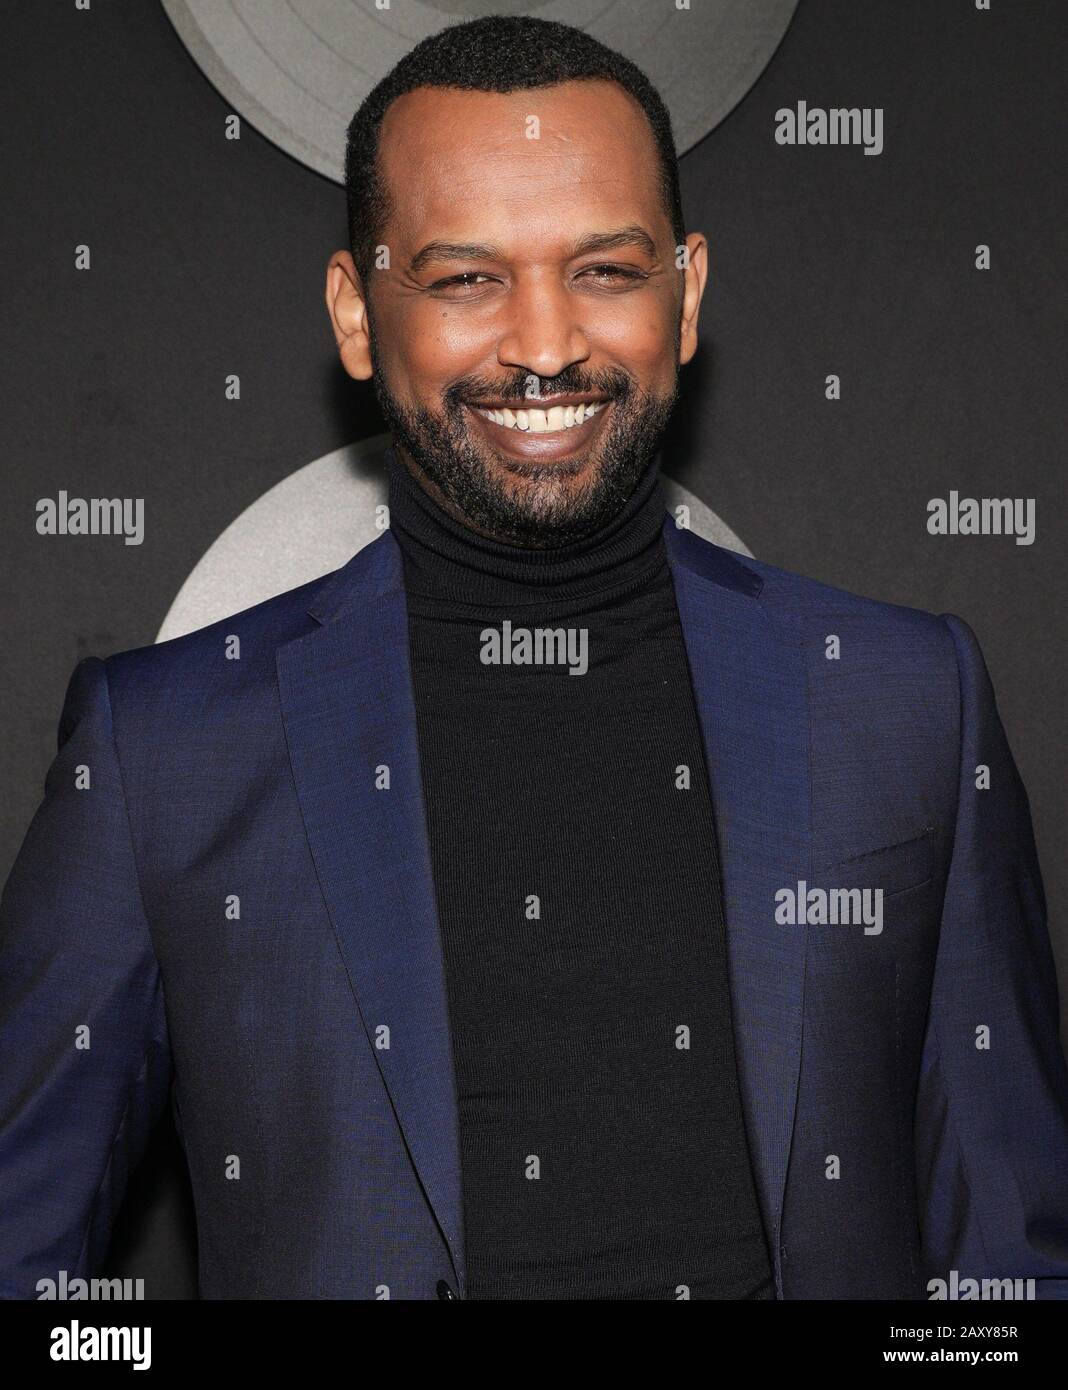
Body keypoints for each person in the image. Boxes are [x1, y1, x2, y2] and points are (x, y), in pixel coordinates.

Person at [2, 15, 1067, 1301]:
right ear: (355, 311)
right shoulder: (161, 750)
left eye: (607, 270)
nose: (547, 341)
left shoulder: (905, 700)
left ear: (687, 292)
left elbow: (1010, 1271)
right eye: (465, 279)